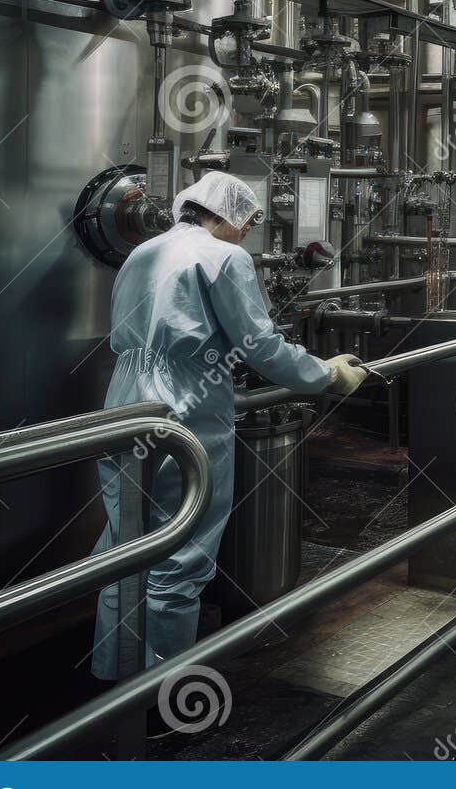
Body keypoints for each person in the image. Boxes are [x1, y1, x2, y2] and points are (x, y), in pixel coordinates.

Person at [91, 171, 367, 679]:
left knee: (124, 549)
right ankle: (160, 701)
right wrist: (325, 373)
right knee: (179, 556)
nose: (246, 234)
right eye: (247, 222)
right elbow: (260, 346)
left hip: (122, 401)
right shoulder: (225, 258)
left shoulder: (143, 252)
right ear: (228, 214)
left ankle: (112, 687)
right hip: (185, 407)